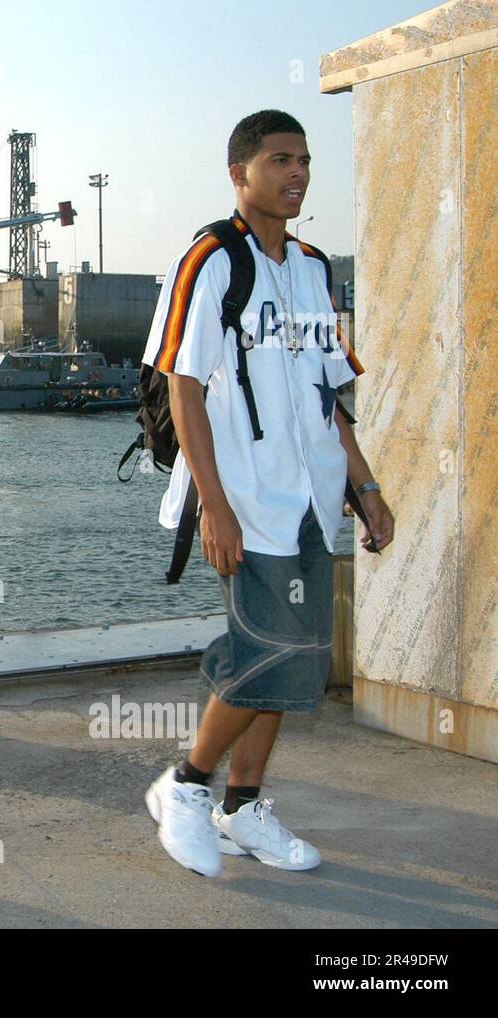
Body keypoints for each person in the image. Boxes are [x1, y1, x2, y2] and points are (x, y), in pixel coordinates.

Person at [142, 110, 395, 877]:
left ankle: (244, 807)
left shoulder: (315, 268)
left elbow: (329, 397)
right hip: (247, 499)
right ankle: (185, 786)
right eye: (280, 159)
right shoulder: (213, 259)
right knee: (271, 647)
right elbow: (181, 385)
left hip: (314, 499)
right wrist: (214, 505)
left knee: (298, 659)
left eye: (305, 161)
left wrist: (365, 486)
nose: (297, 174)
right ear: (240, 172)